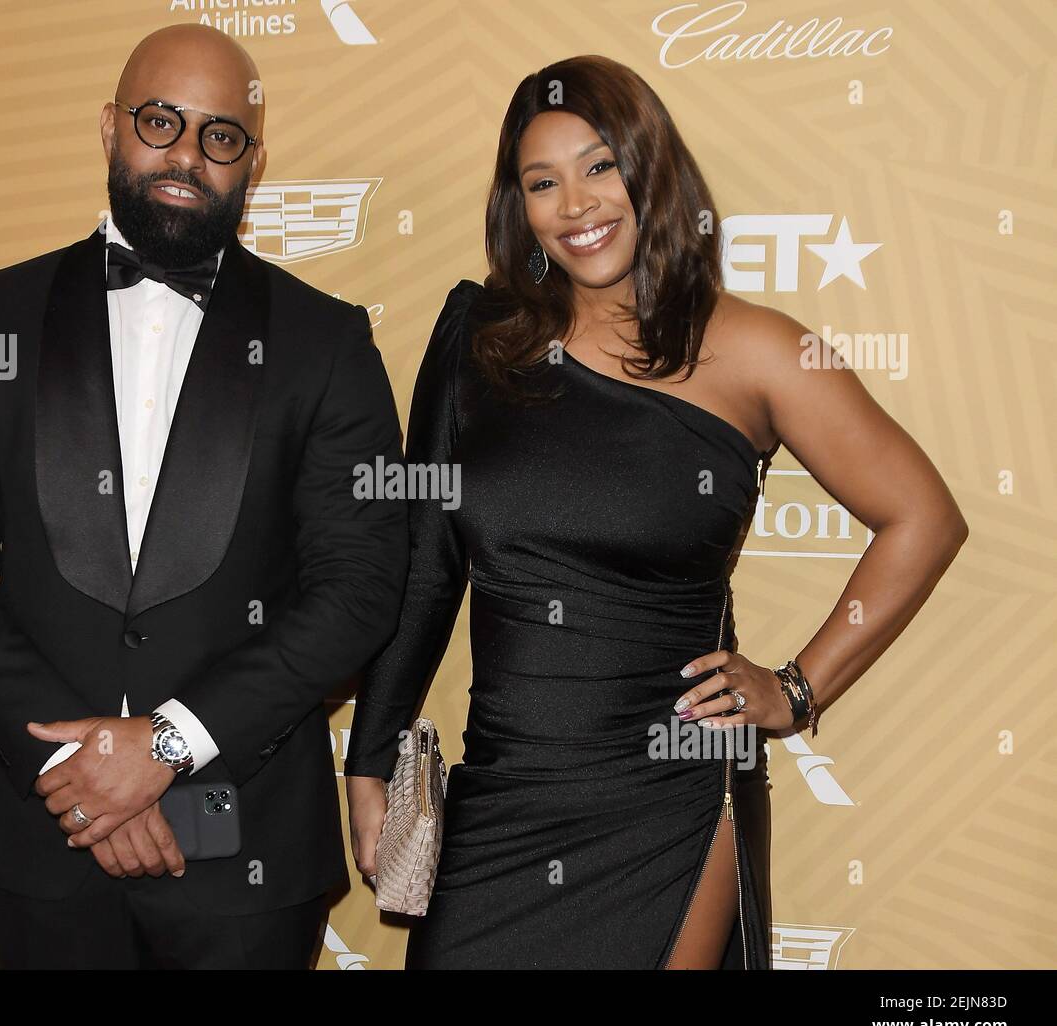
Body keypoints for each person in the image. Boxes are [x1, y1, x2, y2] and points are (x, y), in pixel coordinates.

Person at [344, 54, 968, 969]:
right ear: (519, 208)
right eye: (543, 182)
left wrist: (796, 691)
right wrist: (368, 756)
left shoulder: (757, 349)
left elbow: (924, 517)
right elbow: (427, 558)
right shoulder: (479, 339)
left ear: (651, 167)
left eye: (601, 166)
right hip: (503, 795)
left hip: (668, 793)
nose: (579, 204)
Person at [0, 24, 408, 969]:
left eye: (220, 136)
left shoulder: (325, 342)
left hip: (243, 845)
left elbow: (362, 585)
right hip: (43, 833)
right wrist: (83, 770)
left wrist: (164, 748)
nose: (185, 156)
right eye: (160, 121)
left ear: (255, 159)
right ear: (108, 127)